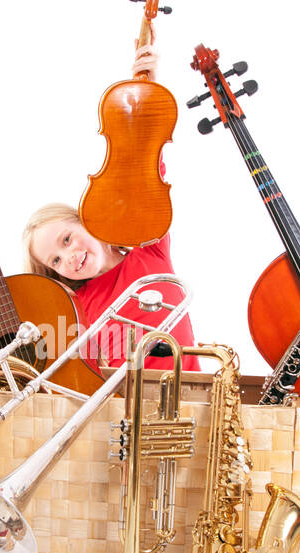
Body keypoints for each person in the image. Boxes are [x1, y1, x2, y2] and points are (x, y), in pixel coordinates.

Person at [21, 39, 201, 374]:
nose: (70, 257)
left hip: (190, 397)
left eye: (66, 239)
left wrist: (145, 87)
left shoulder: (149, 250)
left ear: (86, 221)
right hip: (124, 412)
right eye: (56, 260)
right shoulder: (78, 306)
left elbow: (145, 165)